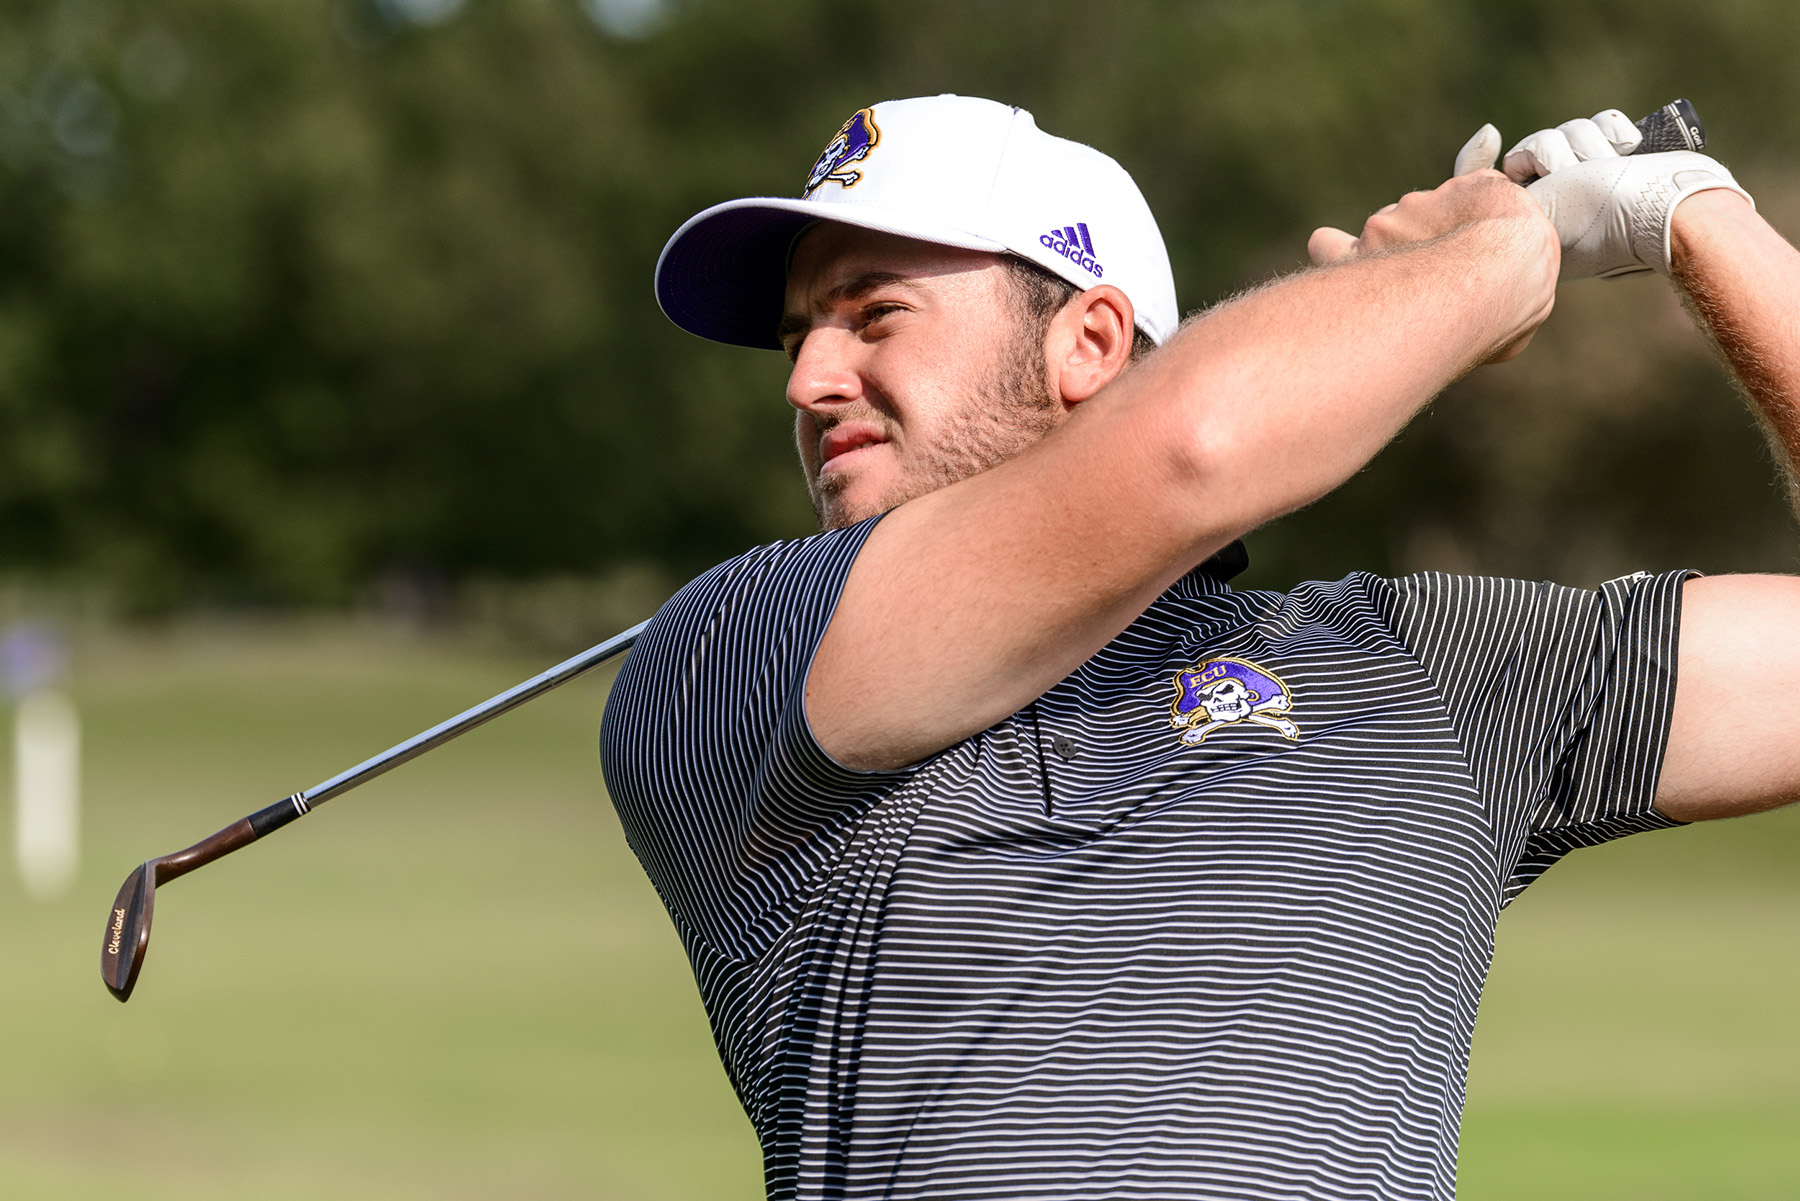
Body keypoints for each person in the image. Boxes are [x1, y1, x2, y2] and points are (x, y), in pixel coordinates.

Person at [600, 94, 1800, 1200]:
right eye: (800, 335)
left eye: (873, 313)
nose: (808, 379)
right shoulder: (733, 654)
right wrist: (1496, 256)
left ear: (1090, 343)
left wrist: (1698, 217)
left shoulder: (1424, 668)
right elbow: (1197, 449)